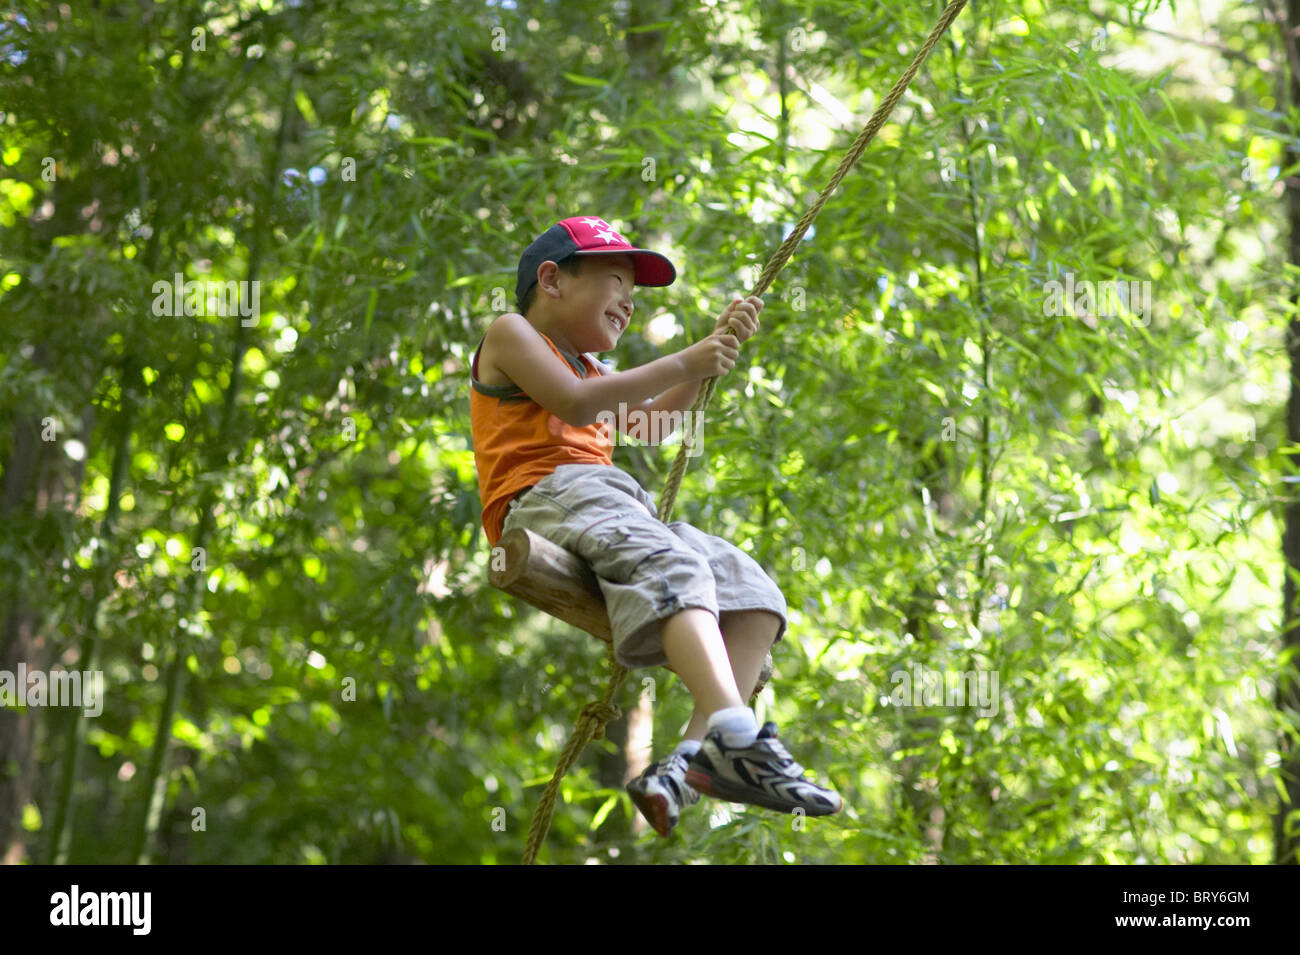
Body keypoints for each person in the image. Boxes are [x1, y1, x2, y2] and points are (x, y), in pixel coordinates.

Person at [469, 215, 841, 837]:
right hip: (544, 497)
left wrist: (706, 358)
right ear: (552, 279)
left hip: (612, 501)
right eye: (616, 283)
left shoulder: (589, 368)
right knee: (679, 567)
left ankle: (695, 763)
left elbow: (647, 425)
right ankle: (737, 733)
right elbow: (579, 405)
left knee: (753, 596)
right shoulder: (512, 334)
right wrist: (683, 358)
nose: (628, 304)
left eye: (634, 297)